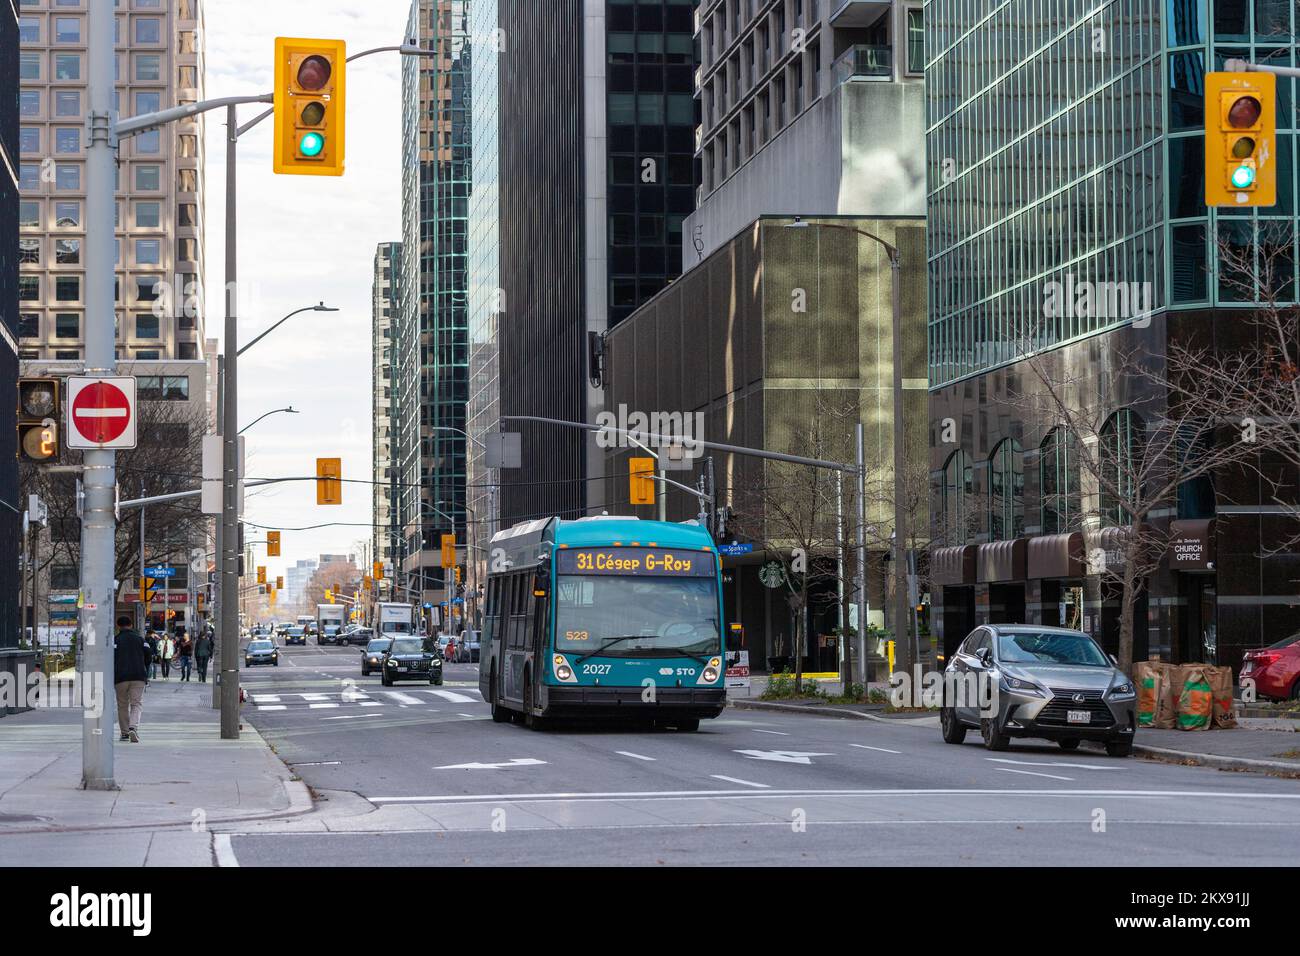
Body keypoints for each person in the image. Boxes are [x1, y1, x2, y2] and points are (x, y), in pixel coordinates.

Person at [113, 615, 149, 743]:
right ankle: (133, 727)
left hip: (120, 677)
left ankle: (124, 733)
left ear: (118, 626)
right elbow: (149, 654)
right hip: (138, 676)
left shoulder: (115, 641)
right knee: (136, 703)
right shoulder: (140, 640)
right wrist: (144, 667)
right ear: (131, 625)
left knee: (122, 705)